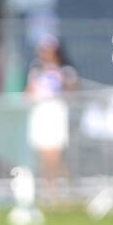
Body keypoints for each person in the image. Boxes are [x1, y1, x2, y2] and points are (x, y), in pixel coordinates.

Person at [25, 34, 78, 200]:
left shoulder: (65, 71)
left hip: (56, 113)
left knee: (54, 155)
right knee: (43, 154)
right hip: (40, 114)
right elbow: (28, 93)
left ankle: (62, 189)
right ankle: (50, 191)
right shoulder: (36, 70)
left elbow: (73, 93)